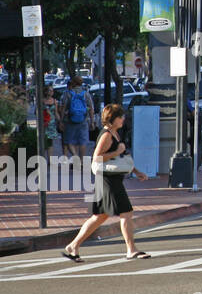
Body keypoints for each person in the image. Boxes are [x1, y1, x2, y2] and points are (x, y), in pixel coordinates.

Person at [62, 104, 151, 262]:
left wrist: (136, 172)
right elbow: (97, 157)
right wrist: (117, 151)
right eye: (120, 117)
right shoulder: (106, 135)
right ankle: (131, 250)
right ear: (113, 119)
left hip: (112, 178)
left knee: (100, 216)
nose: (123, 119)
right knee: (126, 213)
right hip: (107, 180)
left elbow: (121, 158)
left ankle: (73, 246)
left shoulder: (115, 133)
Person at [58, 74, 93, 160]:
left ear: (73, 82)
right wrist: (92, 121)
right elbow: (91, 108)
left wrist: (61, 120)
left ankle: (75, 155)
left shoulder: (68, 93)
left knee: (69, 141)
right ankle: (81, 160)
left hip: (70, 120)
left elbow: (63, 108)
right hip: (83, 120)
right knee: (83, 142)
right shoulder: (86, 94)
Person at [40, 87, 60, 159]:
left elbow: (56, 112)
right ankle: (42, 158)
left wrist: (59, 121)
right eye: (50, 91)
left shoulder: (54, 101)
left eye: (52, 91)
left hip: (51, 123)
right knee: (43, 140)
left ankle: (50, 159)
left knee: (50, 142)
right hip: (43, 123)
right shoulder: (42, 101)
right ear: (46, 92)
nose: (52, 92)